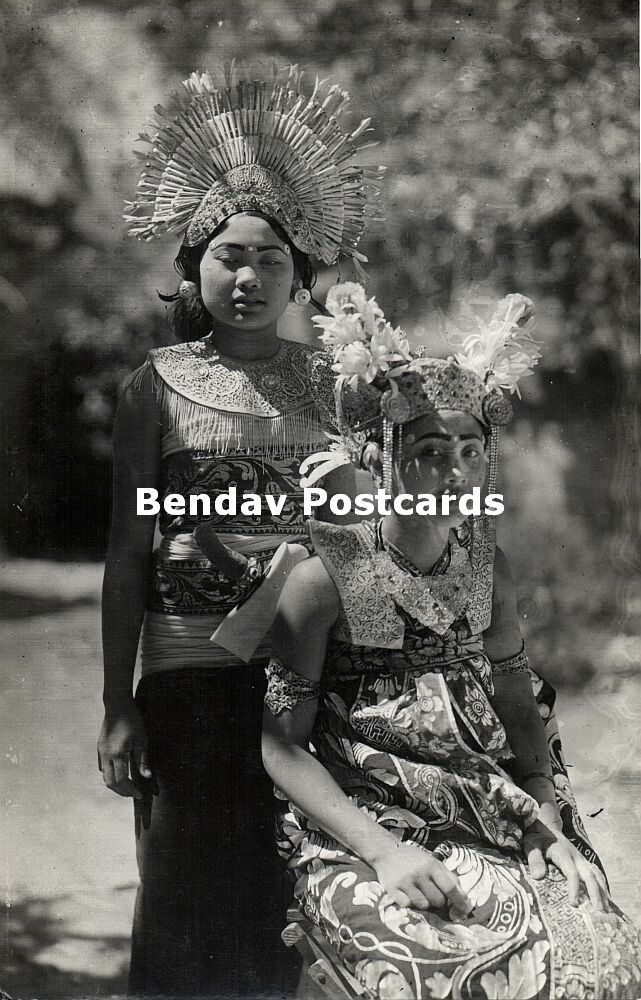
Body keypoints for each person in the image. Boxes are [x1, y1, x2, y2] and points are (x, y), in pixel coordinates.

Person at [260, 284, 641, 998]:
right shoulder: (325, 579)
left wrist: (543, 811)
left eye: (470, 449)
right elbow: (279, 744)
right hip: (361, 822)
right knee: (424, 970)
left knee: (597, 956)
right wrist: (384, 852)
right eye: (431, 449)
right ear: (381, 457)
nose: (455, 470)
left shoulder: (487, 571)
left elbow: (516, 704)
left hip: (490, 808)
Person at [97, 68, 382, 997]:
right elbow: (129, 550)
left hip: (309, 680)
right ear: (193, 267)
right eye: (227, 254)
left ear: (302, 274)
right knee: (183, 902)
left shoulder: (342, 389)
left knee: (295, 905)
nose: (248, 276)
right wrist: (116, 701)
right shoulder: (154, 385)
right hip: (185, 674)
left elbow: (361, 539)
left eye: (269, 258)